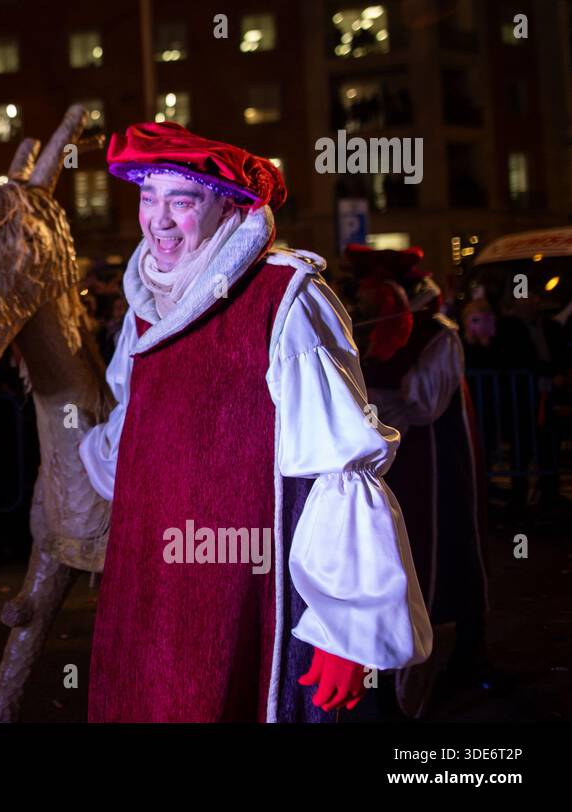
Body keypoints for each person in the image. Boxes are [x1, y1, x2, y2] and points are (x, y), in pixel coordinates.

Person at [78, 121, 430, 722]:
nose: (158, 220)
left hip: (241, 592)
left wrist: (343, 628)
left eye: (181, 200)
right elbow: (135, 433)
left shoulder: (285, 299)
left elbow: (341, 467)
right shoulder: (141, 313)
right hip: (149, 591)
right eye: (147, 197)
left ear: (227, 206)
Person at [344, 244, 488, 717]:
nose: (359, 306)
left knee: (439, 552)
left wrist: (364, 406)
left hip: (429, 462)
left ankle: (450, 652)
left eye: (367, 298)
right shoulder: (361, 332)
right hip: (384, 464)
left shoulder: (438, 334)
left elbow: (423, 404)